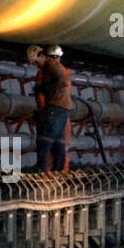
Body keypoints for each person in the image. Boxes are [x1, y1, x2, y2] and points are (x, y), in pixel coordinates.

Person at [31, 44, 73, 173]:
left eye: (36, 61)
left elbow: (62, 82)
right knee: (59, 140)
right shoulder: (62, 68)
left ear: (47, 57)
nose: (36, 64)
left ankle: (41, 170)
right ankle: (58, 170)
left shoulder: (51, 66)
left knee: (44, 138)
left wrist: (42, 88)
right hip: (64, 109)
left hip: (54, 107)